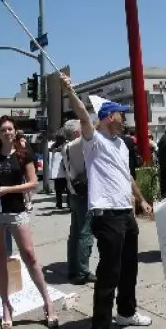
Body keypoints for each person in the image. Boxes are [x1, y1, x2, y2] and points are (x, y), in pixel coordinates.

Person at [60, 74, 153, 329]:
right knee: (108, 273)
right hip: (106, 214)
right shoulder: (94, 140)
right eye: (120, 114)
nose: (124, 119)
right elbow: (84, 119)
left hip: (125, 212)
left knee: (129, 268)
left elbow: (127, 176)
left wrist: (141, 200)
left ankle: (126, 312)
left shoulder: (122, 144)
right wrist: (70, 90)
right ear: (109, 116)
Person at [0, 116, 59, 329]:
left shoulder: (24, 153)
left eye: (10, 129)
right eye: (3, 129)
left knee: (30, 256)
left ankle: (48, 302)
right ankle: (6, 305)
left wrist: (8, 190)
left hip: (16, 211)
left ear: (15, 131)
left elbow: (33, 184)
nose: (7, 132)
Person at [61, 119, 94, 285]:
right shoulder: (76, 145)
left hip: (74, 193)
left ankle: (74, 269)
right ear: (76, 133)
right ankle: (82, 271)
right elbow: (92, 129)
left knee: (75, 233)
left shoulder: (66, 147)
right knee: (84, 233)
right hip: (83, 194)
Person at [50, 131, 69, 209]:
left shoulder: (66, 145)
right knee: (61, 189)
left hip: (64, 170)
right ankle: (60, 203)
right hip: (60, 170)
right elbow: (51, 153)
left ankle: (64, 203)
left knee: (66, 189)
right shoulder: (54, 145)